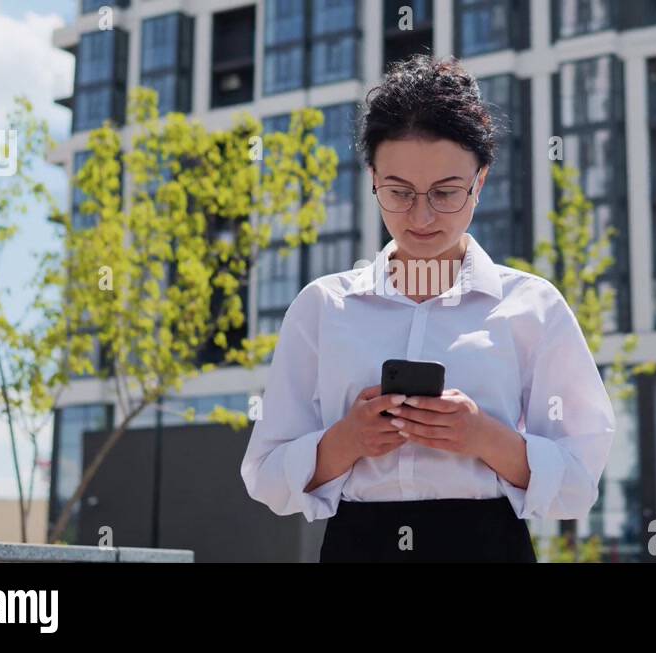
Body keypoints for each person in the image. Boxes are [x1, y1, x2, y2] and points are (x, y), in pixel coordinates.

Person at [241, 55, 616, 563]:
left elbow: (577, 481)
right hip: (358, 547)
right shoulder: (323, 306)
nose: (421, 216)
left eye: (445, 192)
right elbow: (265, 473)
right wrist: (346, 440)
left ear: (479, 182)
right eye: (399, 192)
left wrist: (483, 436)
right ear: (372, 178)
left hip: (488, 547)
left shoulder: (532, 306)